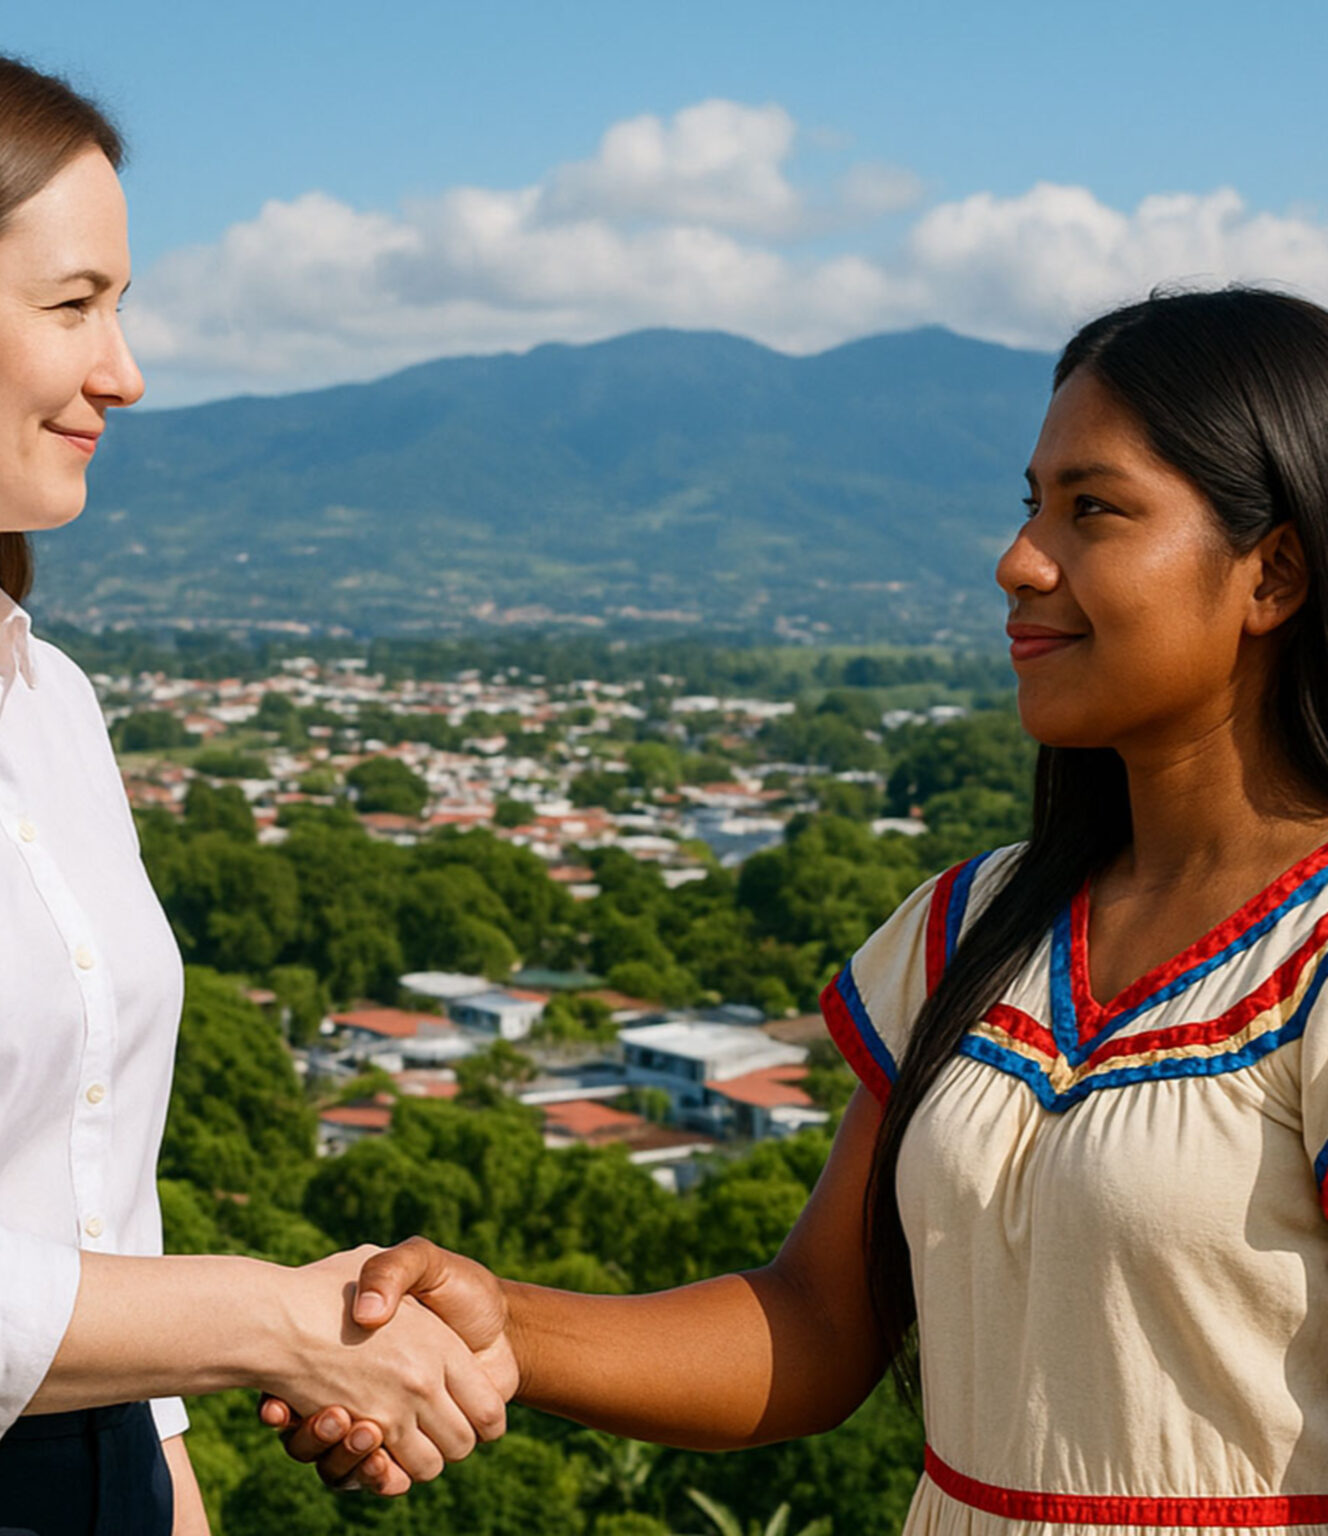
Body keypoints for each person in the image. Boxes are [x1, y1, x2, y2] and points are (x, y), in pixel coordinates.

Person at [282, 287, 1328, 1532]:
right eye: (1029, 503)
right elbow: (819, 1326)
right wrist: (498, 1318)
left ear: (1271, 575)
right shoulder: (971, 926)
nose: (1019, 560)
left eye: (1092, 508)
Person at [0, 35, 510, 1536]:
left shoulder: (52, 701)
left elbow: (92, 1186)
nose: (125, 371)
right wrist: (266, 1318)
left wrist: (167, 1468)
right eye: (75, 306)